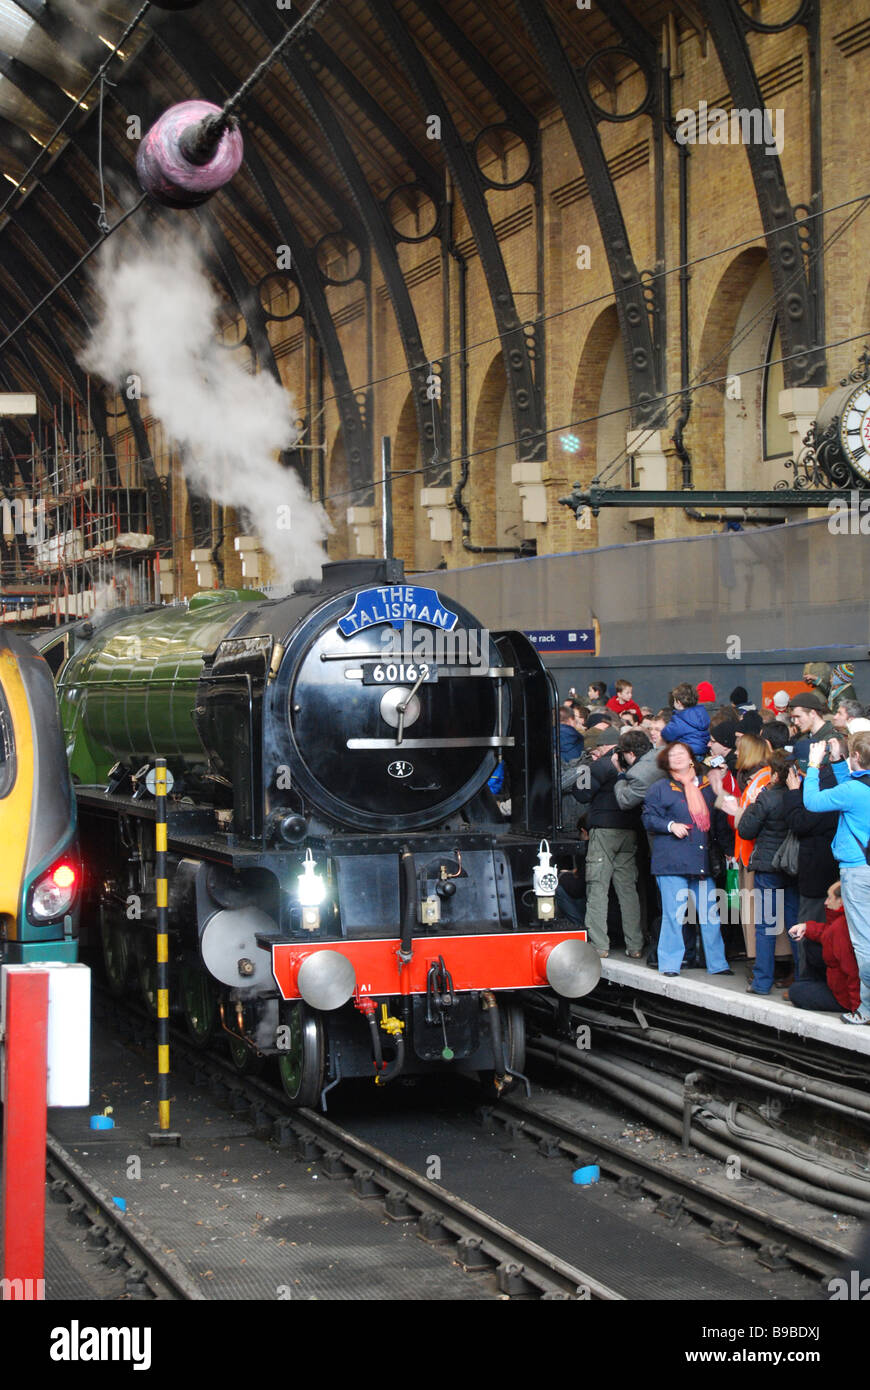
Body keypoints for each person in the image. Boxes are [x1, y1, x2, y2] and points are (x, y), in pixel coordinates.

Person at [641, 741, 731, 977]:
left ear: (691, 758)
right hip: (671, 861)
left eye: (682, 753)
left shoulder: (707, 786)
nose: (678, 758)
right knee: (675, 915)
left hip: (701, 861)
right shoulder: (660, 787)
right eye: (673, 755)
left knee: (711, 915)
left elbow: (720, 818)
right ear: (666, 762)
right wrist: (670, 825)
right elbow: (648, 818)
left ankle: (718, 964)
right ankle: (670, 965)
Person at [803, 731, 870, 1024]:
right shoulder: (860, 788)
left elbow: (812, 802)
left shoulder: (854, 792)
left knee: (863, 943)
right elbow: (851, 788)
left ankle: (866, 1009)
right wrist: (838, 761)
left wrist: (813, 765)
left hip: (857, 871)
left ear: (857, 756)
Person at [723, 753, 800, 995]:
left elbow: (745, 831)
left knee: (766, 925)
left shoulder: (767, 797)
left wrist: (754, 803)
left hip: (768, 868)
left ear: (775, 775)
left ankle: (762, 982)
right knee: (795, 924)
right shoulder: (800, 797)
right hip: (793, 867)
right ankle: (801, 979)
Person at [571, 726, 644, 959]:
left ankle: (600, 944)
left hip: (604, 831)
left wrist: (585, 767)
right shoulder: (635, 761)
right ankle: (635, 945)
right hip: (630, 831)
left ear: (603, 746)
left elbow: (581, 793)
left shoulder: (602, 764)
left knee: (598, 886)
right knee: (627, 889)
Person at [788, 882, 860, 1014]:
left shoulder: (840, 927)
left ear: (841, 901)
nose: (826, 902)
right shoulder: (845, 920)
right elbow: (827, 933)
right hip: (839, 984)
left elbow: (852, 972)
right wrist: (807, 927)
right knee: (811, 945)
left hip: (845, 998)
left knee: (795, 991)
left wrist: (858, 1010)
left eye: (830, 898)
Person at [661, 682, 710, 757]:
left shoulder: (680, 718)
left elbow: (666, 734)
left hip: (689, 754)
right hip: (703, 753)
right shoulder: (702, 713)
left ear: (678, 702)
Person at [789, 692, 834, 768]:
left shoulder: (833, 739)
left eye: (798, 717)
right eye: (793, 718)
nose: (796, 722)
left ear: (812, 713)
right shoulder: (803, 738)